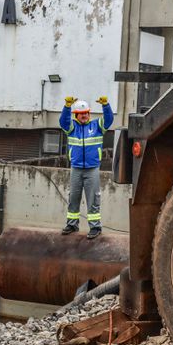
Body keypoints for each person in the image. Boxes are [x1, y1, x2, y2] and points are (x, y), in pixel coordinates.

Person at [59, 95, 114, 239]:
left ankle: (95, 227)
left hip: (92, 169)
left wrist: (106, 105)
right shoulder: (71, 127)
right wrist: (67, 106)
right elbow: (63, 122)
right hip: (76, 168)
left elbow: (109, 120)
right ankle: (72, 224)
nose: (84, 116)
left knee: (93, 198)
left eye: (86, 113)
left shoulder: (97, 126)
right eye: (81, 114)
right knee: (73, 197)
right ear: (76, 115)